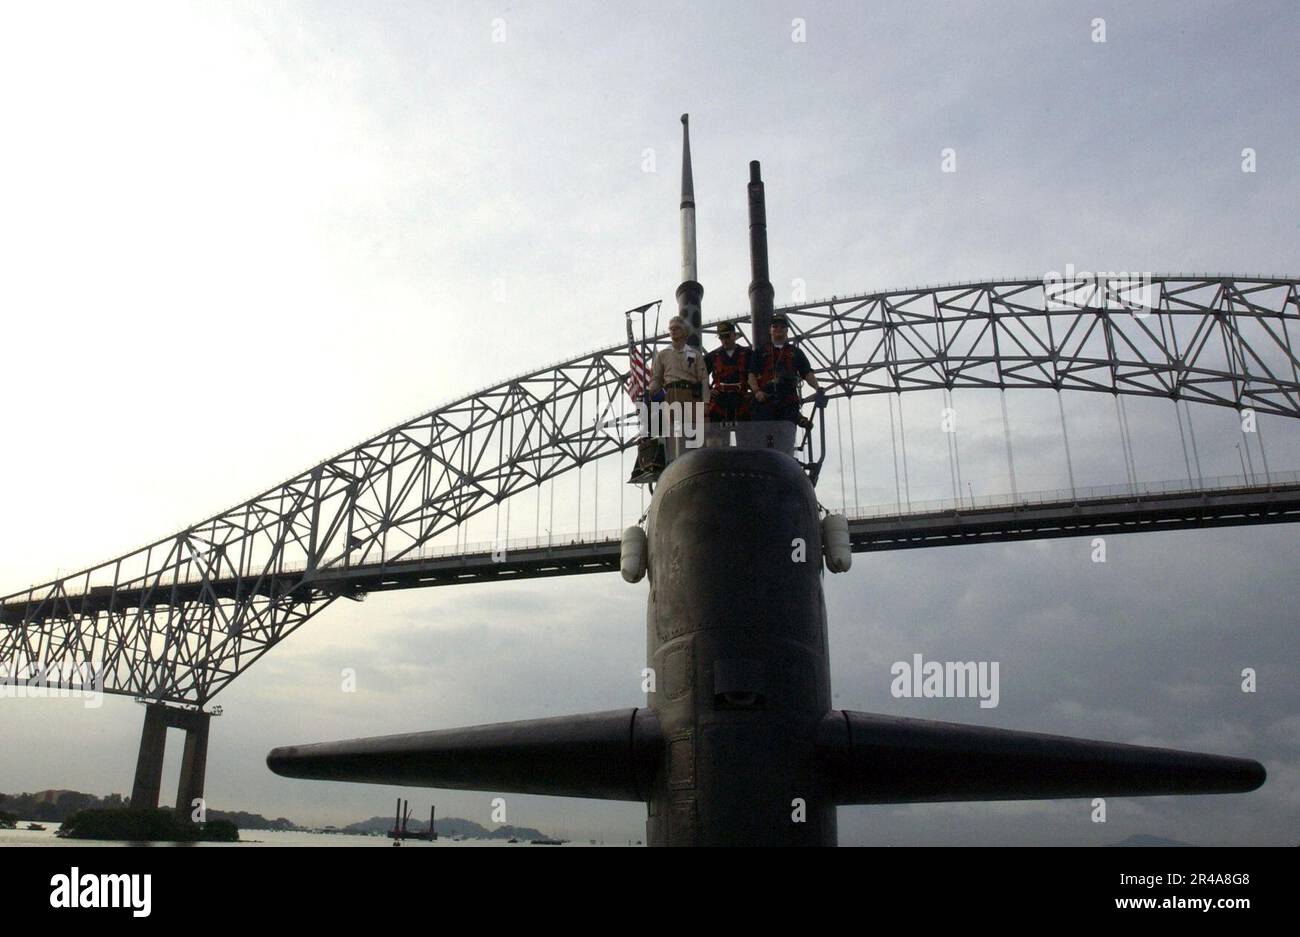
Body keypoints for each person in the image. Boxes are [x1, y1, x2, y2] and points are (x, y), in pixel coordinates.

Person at [747, 312, 823, 425]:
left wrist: (817, 388)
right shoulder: (760, 351)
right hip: (765, 402)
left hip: (788, 402)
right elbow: (751, 374)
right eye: (775, 326)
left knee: (786, 438)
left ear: (787, 330)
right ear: (770, 330)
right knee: (764, 437)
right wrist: (757, 392)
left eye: (782, 327)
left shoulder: (796, 352)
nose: (778, 329)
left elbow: (807, 373)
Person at [648, 316, 708, 458]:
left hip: (691, 395)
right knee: (675, 433)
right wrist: (650, 391)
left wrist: (706, 402)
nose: (673, 331)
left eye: (676, 328)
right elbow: (656, 379)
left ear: (685, 331)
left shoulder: (695, 354)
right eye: (671, 329)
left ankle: (695, 462)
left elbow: (704, 379)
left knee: (694, 432)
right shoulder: (663, 355)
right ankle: (675, 461)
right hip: (671, 395)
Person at [704, 321, 750, 423]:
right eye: (721, 337)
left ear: (734, 335)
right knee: (717, 437)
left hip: (741, 400)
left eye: (727, 336)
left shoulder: (748, 353)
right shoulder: (712, 356)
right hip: (719, 401)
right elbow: (700, 375)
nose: (724, 340)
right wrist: (708, 390)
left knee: (745, 436)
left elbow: (754, 374)